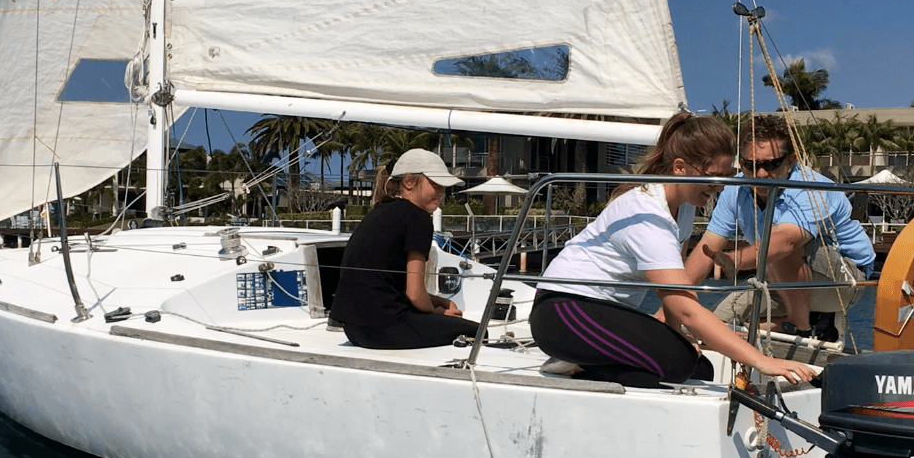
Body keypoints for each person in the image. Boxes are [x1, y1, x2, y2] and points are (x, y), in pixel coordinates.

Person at [529, 112, 818, 389]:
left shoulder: (683, 207)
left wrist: (675, 335)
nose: (720, 187)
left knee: (700, 369)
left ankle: (585, 362)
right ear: (680, 167)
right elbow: (684, 307)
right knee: (676, 364)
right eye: (713, 177)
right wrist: (761, 361)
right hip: (563, 311)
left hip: (603, 310)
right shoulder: (647, 214)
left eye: (726, 176)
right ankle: (579, 363)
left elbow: (675, 288)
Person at [684, 113, 876, 339]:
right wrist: (674, 305)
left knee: (778, 244)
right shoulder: (734, 192)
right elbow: (708, 246)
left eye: (772, 164)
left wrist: (735, 260)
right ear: (741, 162)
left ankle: (800, 326)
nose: (761, 174)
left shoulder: (812, 187)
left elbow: (786, 242)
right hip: (780, 278)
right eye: (750, 165)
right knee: (713, 327)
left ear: (791, 160)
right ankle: (798, 321)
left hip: (845, 281)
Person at [331, 149, 480, 349]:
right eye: (436, 184)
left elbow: (394, 286)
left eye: (444, 187)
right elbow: (414, 293)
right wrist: (439, 313)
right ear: (409, 182)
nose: (442, 192)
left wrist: (438, 301)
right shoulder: (418, 218)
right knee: (478, 331)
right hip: (385, 327)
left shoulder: (380, 211)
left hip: (354, 329)